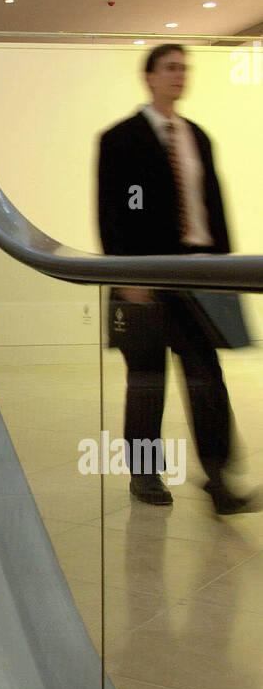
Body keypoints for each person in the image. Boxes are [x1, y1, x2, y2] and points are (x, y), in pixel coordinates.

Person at [97, 44, 252, 515]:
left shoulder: (198, 137)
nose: (180, 75)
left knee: (208, 378)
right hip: (146, 276)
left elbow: (214, 207)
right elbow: (111, 213)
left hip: (201, 274)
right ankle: (144, 475)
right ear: (148, 76)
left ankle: (218, 478)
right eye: (170, 68)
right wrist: (127, 275)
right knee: (147, 380)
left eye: (185, 68)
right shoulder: (119, 138)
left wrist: (224, 271)